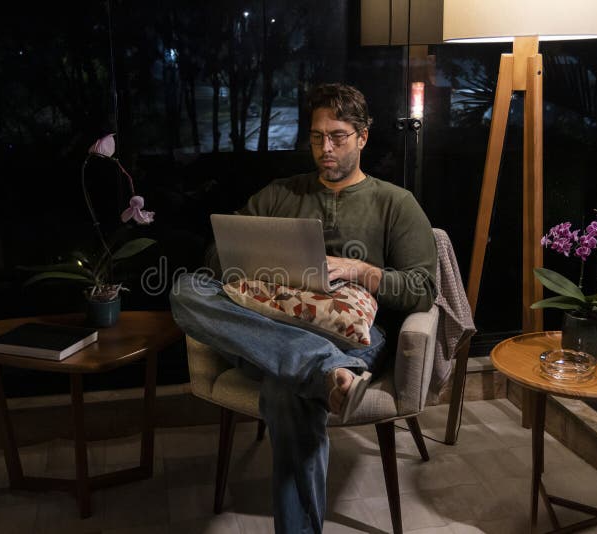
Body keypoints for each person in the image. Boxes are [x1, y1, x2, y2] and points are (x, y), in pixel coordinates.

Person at [170, 83, 437, 533]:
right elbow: (216, 259)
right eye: (316, 137)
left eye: (337, 136)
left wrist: (357, 268)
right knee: (184, 289)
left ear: (363, 137)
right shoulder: (281, 193)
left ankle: (317, 365)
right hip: (273, 328)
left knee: (284, 388)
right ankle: (320, 368)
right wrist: (254, 263)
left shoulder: (394, 203)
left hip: (352, 338)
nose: (325, 148)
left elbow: (423, 289)